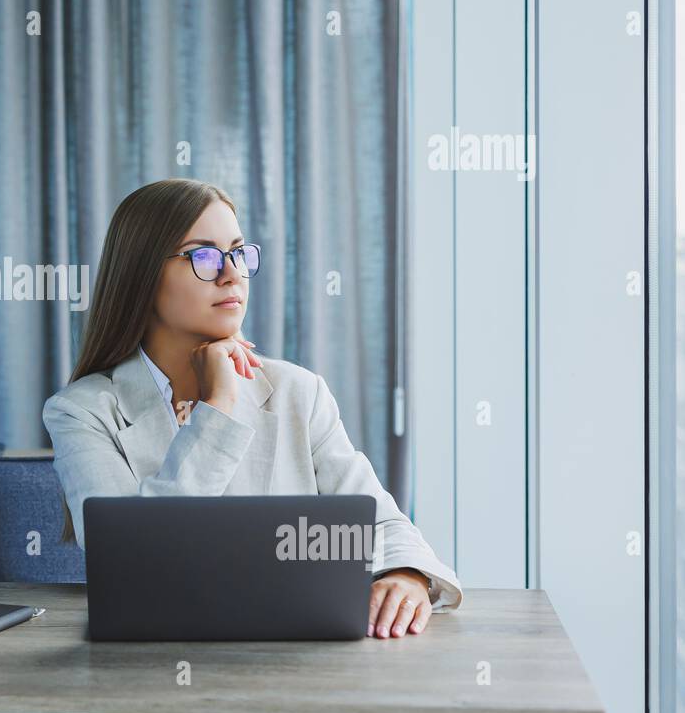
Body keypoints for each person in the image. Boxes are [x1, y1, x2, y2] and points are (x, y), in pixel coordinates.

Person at [42, 178, 462, 639]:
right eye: (202, 255)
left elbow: (381, 521)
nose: (231, 274)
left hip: (288, 662)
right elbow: (132, 561)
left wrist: (405, 575)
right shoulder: (82, 411)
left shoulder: (300, 392)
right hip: (146, 666)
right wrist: (219, 406)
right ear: (141, 275)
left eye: (238, 253)